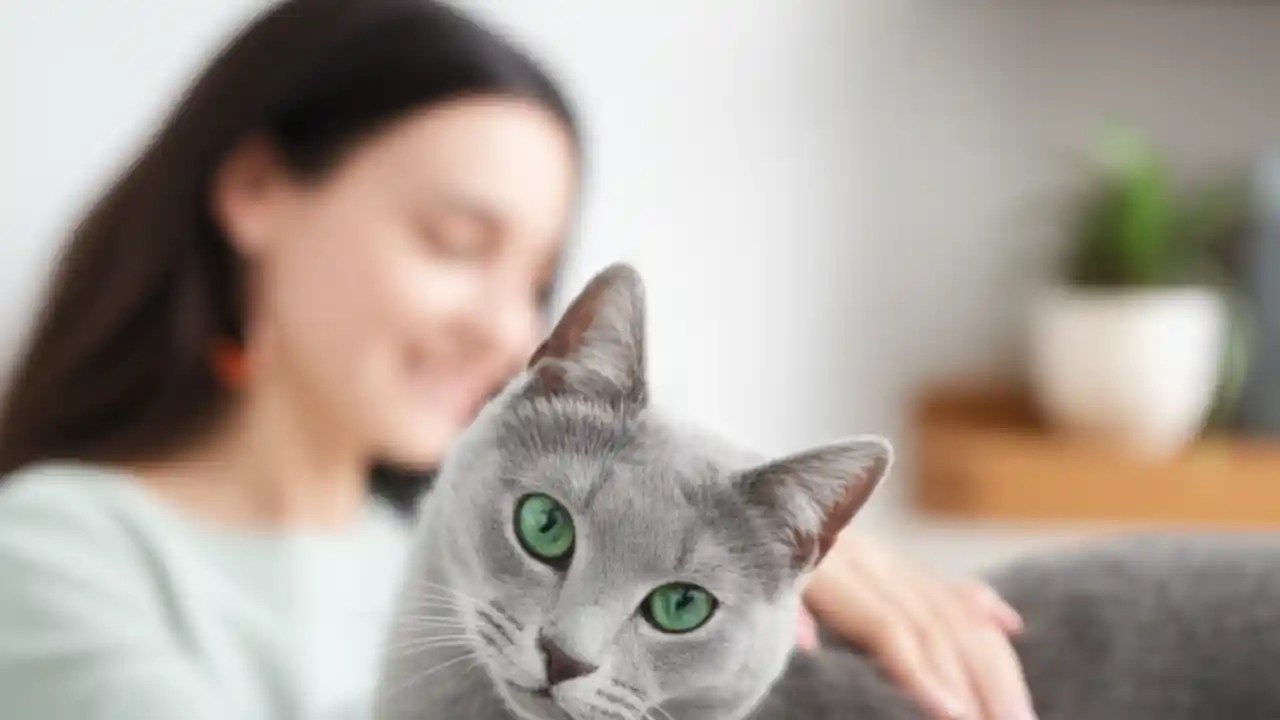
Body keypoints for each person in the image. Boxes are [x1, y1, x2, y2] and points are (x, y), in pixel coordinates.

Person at [0, 1, 1035, 719]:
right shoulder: (53, 547)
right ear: (259, 189)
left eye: (536, 281)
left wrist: (739, 577)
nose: (505, 333)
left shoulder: (460, 536)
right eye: (456, 243)